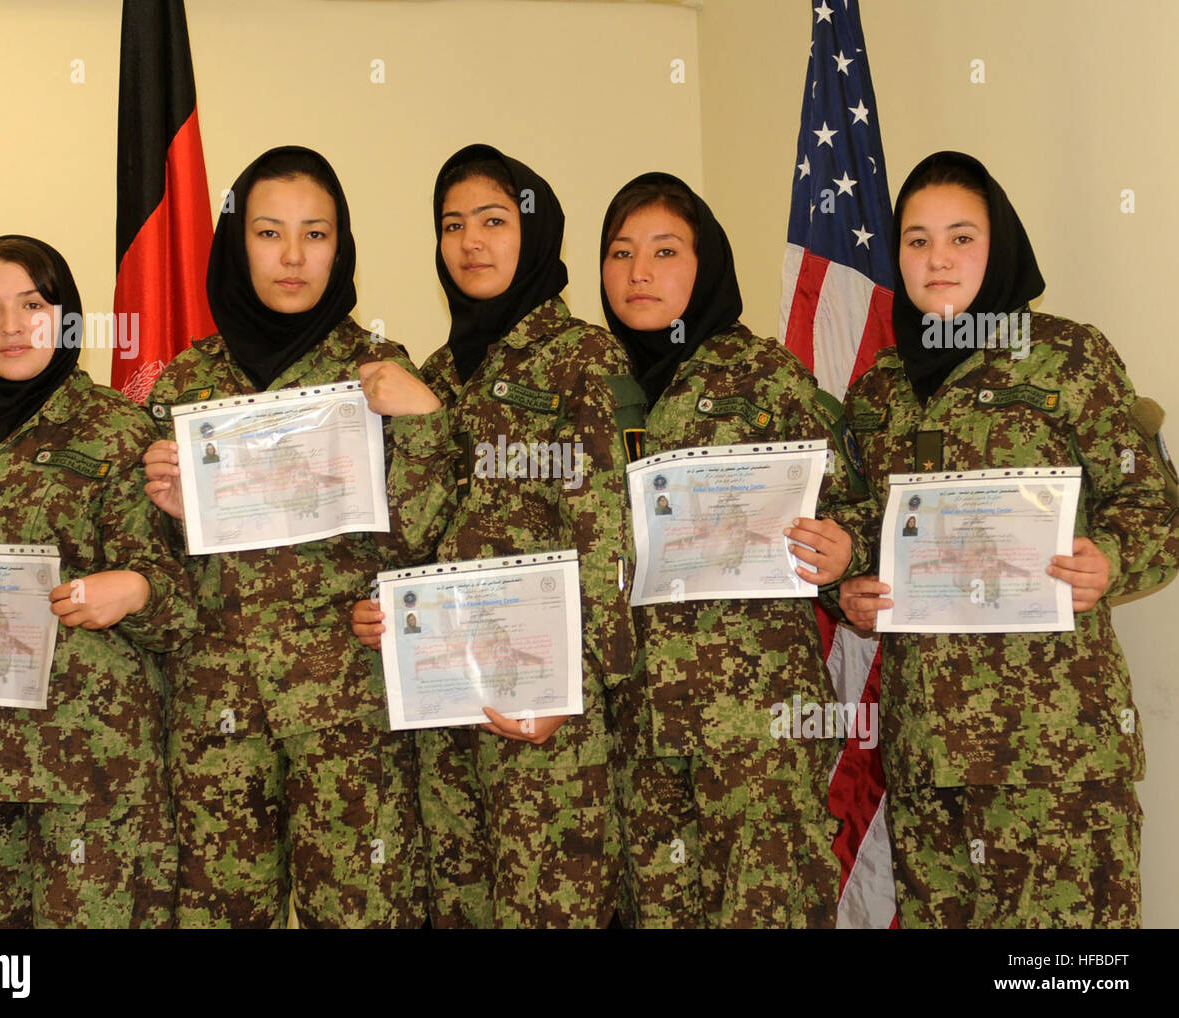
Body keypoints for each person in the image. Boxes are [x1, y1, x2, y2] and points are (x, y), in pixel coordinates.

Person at [837, 151, 1179, 928]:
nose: (939, 259)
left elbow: (1154, 509)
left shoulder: (1068, 355)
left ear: (1000, 247)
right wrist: (848, 583)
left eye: (962, 237)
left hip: (1053, 752)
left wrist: (1112, 562)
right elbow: (857, 523)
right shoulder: (879, 388)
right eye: (917, 241)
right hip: (928, 753)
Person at [350, 144, 639, 928]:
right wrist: (379, 603)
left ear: (535, 234)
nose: (470, 242)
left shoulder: (585, 358)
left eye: (493, 220)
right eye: (452, 225)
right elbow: (409, 530)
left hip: (542, 709)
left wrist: (571, 686)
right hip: (442, 703)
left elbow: (612, 534)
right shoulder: (435, 374)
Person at [142, 146, 429, 929]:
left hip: (349, 704)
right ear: (238, 243)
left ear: (342, 248)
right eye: (270, 234)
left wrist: (428, 424)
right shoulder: (182, 387)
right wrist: (168, 514)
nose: (294, 257)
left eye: (317, 233)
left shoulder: (379, 374)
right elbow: (142, 578)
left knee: (366, 912)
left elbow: (434, 532)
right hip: (216, 711)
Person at [0, 235, 195, 928]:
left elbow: (188, 605)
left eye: (32, 305)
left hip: (89, 785)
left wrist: (136, 592)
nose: (12, 327)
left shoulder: (121, 436)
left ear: (68, 317)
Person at [598, 172, 873, 928]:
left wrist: (842, 554)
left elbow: (851, 512)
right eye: (619, 254)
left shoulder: (767, 379)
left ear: (707, 263)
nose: (638, 273)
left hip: (756, 725)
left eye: (664, 251)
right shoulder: (583, 384)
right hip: (624, 727)